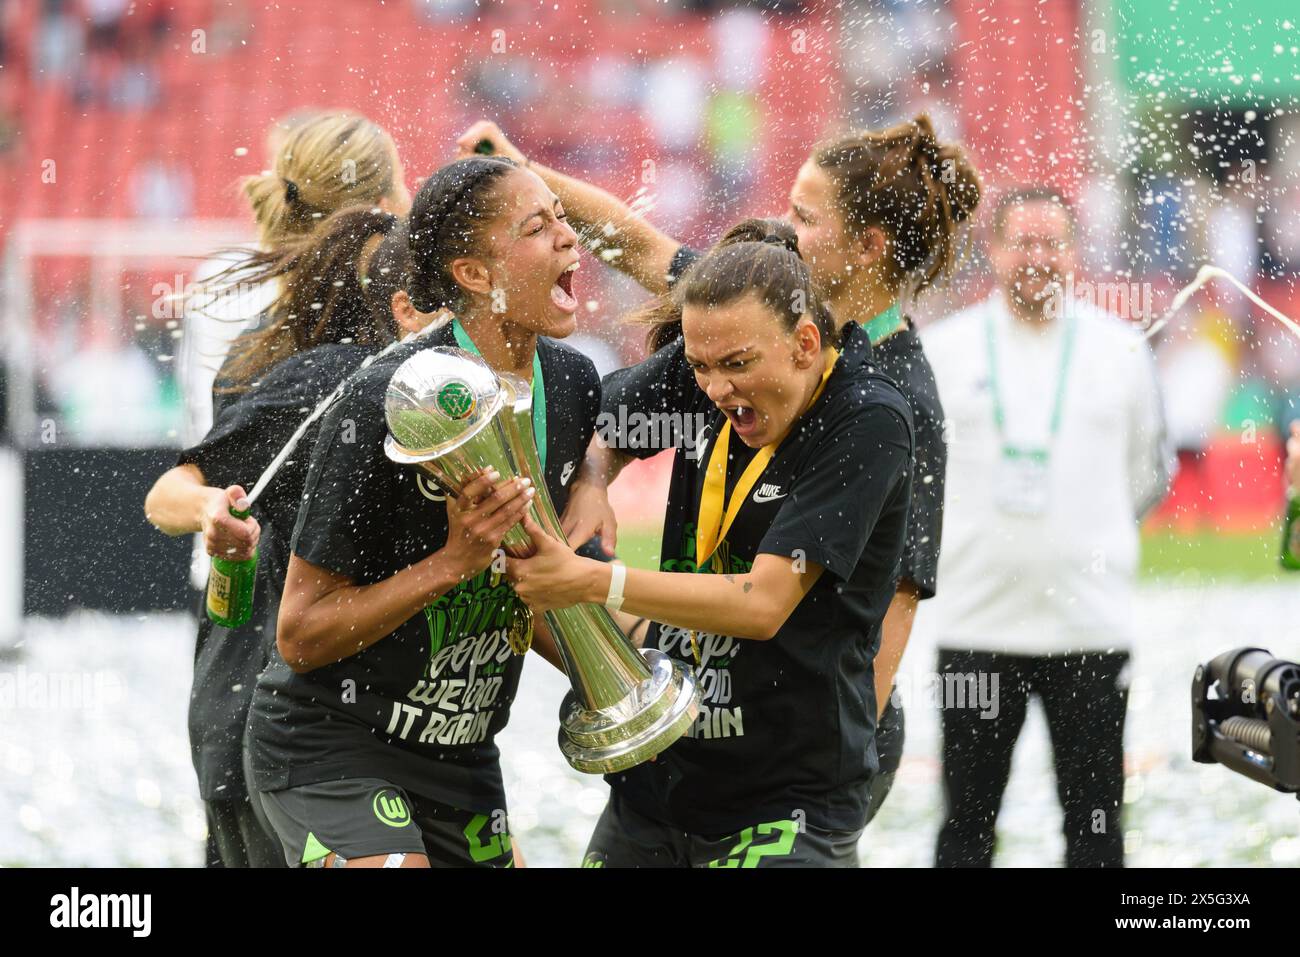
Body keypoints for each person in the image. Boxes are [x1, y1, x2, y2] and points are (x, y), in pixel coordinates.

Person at [458, 113, 980, 822]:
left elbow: (897, 601)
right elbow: (638, 245)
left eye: (804, 215)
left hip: (811, 747)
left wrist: (836, 777)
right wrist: (525, 175)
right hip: (707, 717)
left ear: (866, 246)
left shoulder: (896, 402)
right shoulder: (746, 314)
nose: (782, 226)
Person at [505, 222, 914, 867]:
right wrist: (592, 478)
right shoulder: (705, 368)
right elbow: (600, 428)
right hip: (659, 785)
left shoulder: (867, 417)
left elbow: (762, 605)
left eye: (738, 366)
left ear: (805, 343)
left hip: (788, 800)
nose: (717, 389)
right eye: (700, 366)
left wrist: (595, 582)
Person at [245, 156, 600, 868]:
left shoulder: (571, 382)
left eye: (563, 217)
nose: (569, 237)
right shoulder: (387, 398)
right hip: (331, 741)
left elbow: (530, 593)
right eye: (537, 227)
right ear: (474, 275)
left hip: (459, 752)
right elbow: (301, 633)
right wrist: (450, 565)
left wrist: (633, 678)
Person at [146, 206, 421, 867]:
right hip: (267, 721)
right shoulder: (326, 378)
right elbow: (166, 493)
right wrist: (215, 509)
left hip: (321, 726)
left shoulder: (408, 380)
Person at [920, 187, 1174, 867]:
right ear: (994, 250)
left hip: (1089, 627)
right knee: (965, 828)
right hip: (975, 625)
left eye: (1051, 242)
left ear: (1074, 251)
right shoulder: (945, 350)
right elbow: (922, 478)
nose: (1037, 256)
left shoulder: (1121, 349)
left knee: (1094, 829)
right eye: (1021, 242)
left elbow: (1146, 474)